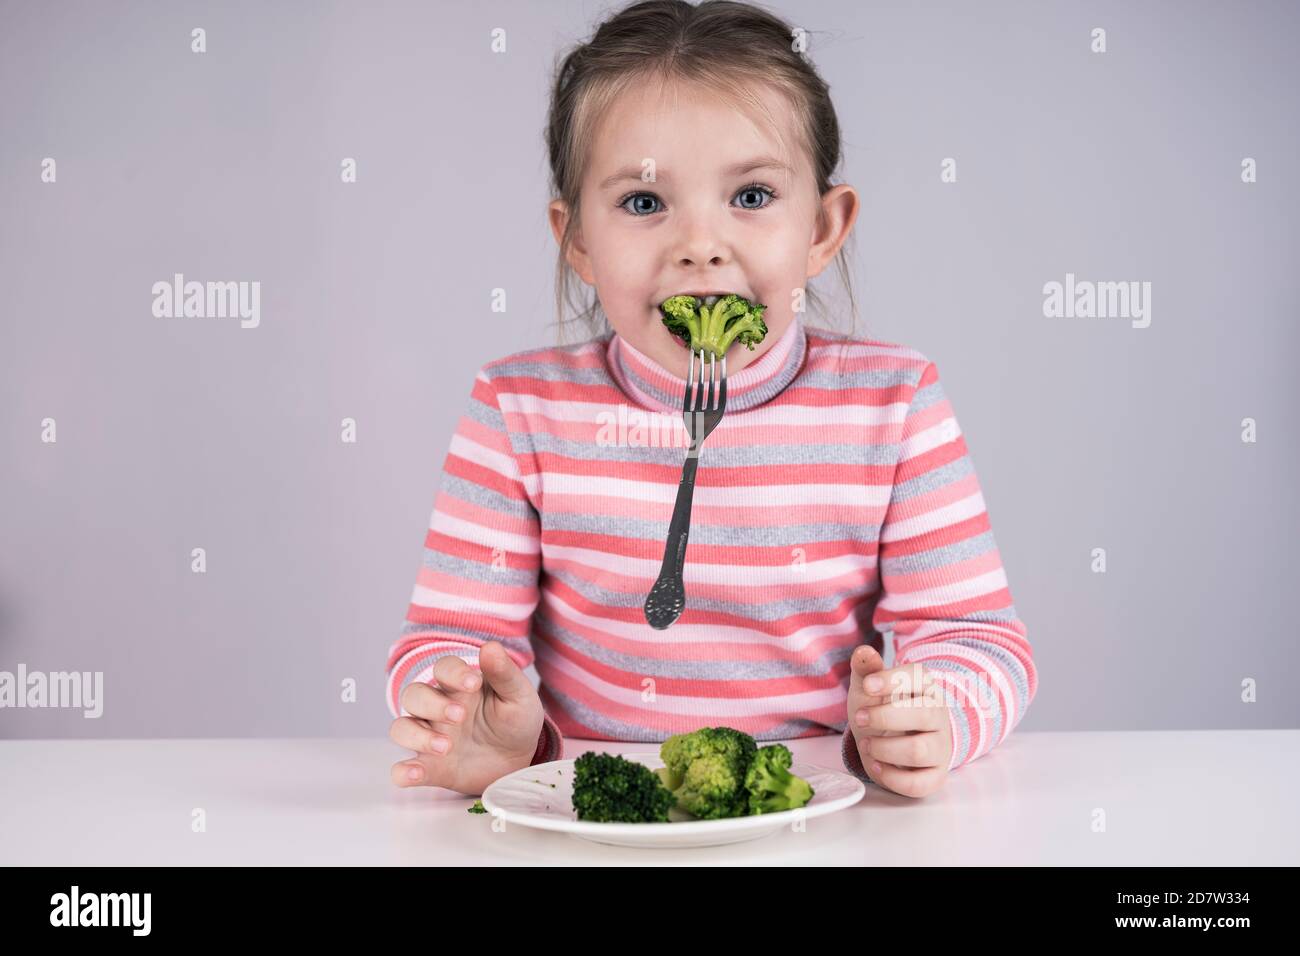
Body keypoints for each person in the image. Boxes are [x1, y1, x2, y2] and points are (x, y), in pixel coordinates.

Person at [387, 0, 1037, 800]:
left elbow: (979, 642)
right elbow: (450, 640)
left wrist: (929, 717)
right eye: (644, 203)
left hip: (818, 810)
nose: (699, 243)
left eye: (753, 196)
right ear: (578, 240)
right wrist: (482, 724)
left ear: (824, 229)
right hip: (585, 805)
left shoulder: (892, 404)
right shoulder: (519, 410)